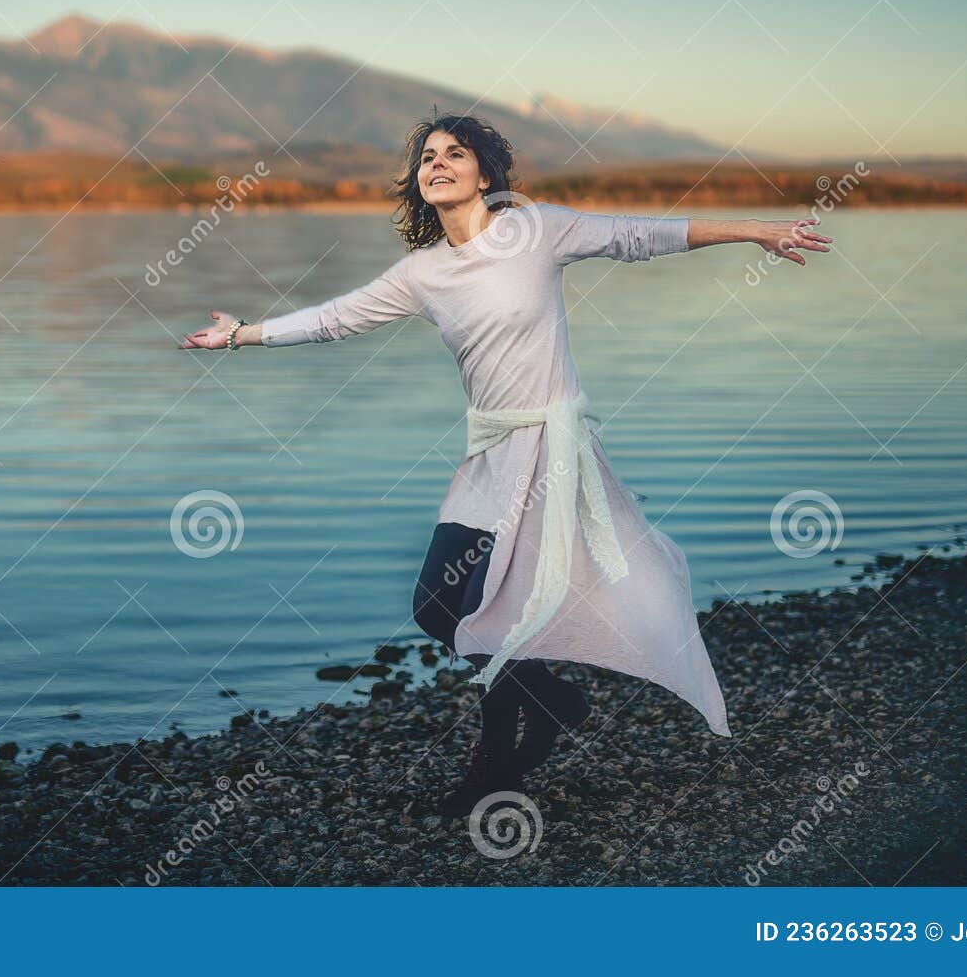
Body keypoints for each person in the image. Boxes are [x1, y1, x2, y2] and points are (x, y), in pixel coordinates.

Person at [180, 113, 833, 816]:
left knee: (488, 608)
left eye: (455, 154)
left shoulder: (537, 230)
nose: (437, 164)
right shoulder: (424, 273)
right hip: (490, 454)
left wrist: (756, 230)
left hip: (551, 453)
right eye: (427, 157)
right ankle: (551, 702)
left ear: (485, 174)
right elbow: (335, 318)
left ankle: (493, 769)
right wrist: (241, 334)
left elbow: (639, 235)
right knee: (437, 606)